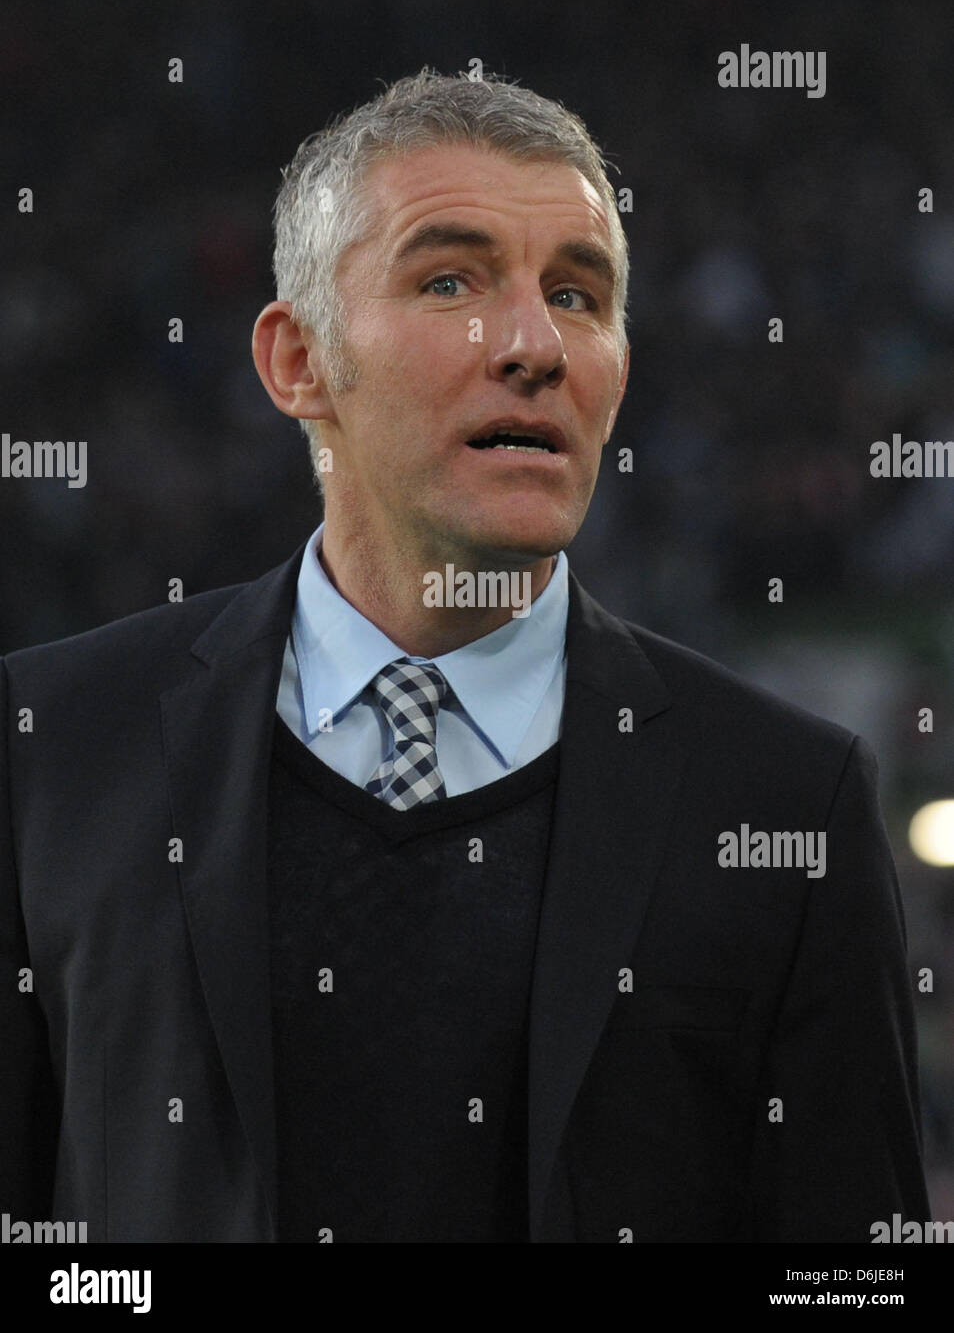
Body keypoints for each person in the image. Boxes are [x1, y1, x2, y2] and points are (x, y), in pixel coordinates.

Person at [0, 68, 930, 1243]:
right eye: (451, 281)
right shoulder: (51, 744)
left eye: (581, 296)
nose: (536, 344)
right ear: (299, 364)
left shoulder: (785, 797)